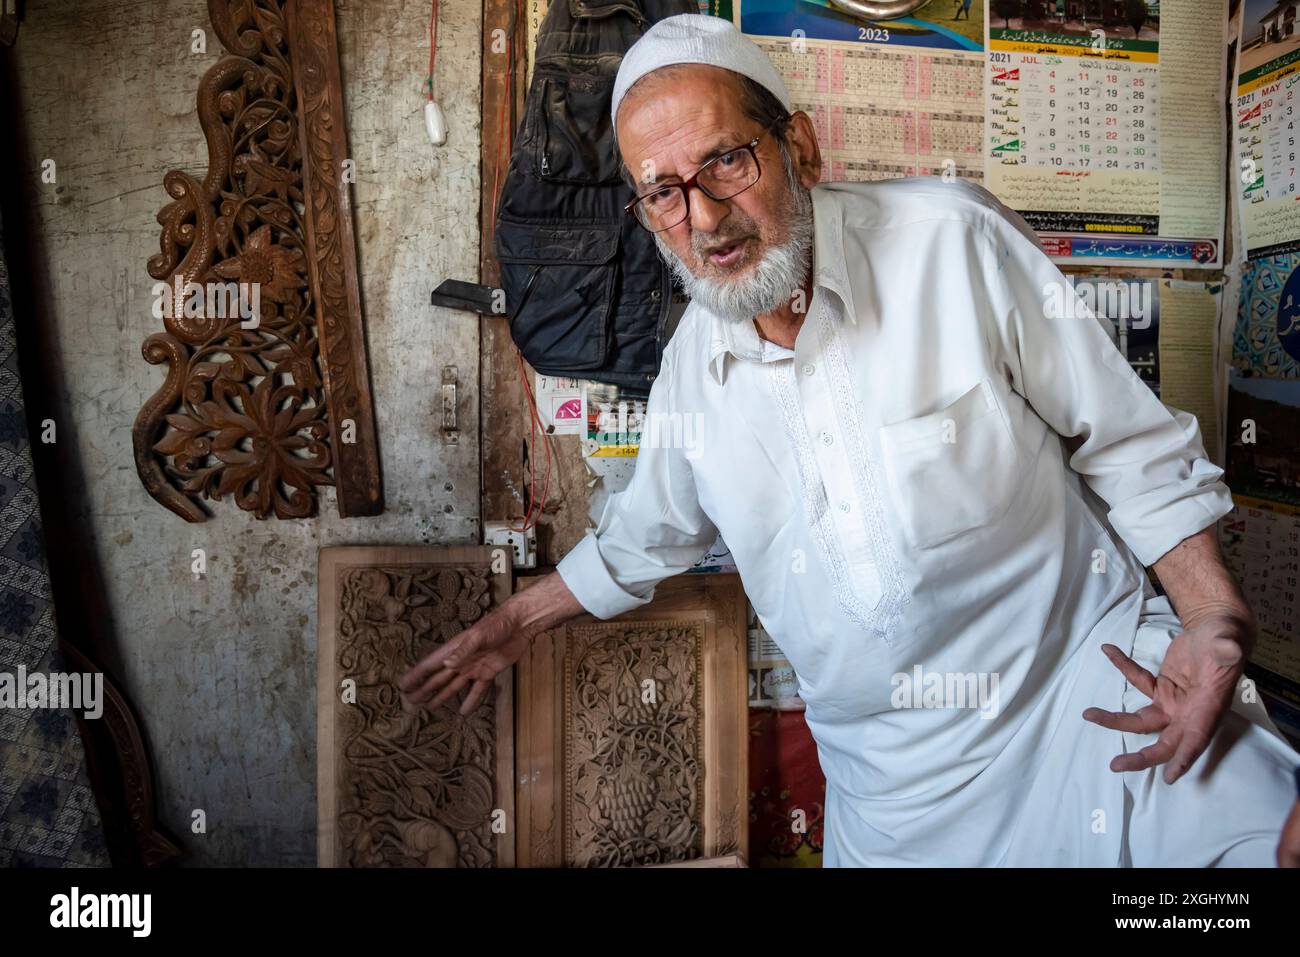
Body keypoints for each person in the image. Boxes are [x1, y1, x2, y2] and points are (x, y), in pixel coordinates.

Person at [400, 15, 1300, 866]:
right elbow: (644, 540)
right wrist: (514, 622)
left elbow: (1128, 442)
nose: (703, 219)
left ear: (798, 147)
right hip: (895, 799)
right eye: (662, 194)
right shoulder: (687, 376)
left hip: (1090, 699)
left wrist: (1212, 615)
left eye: (724, 162)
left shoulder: (953, 241)